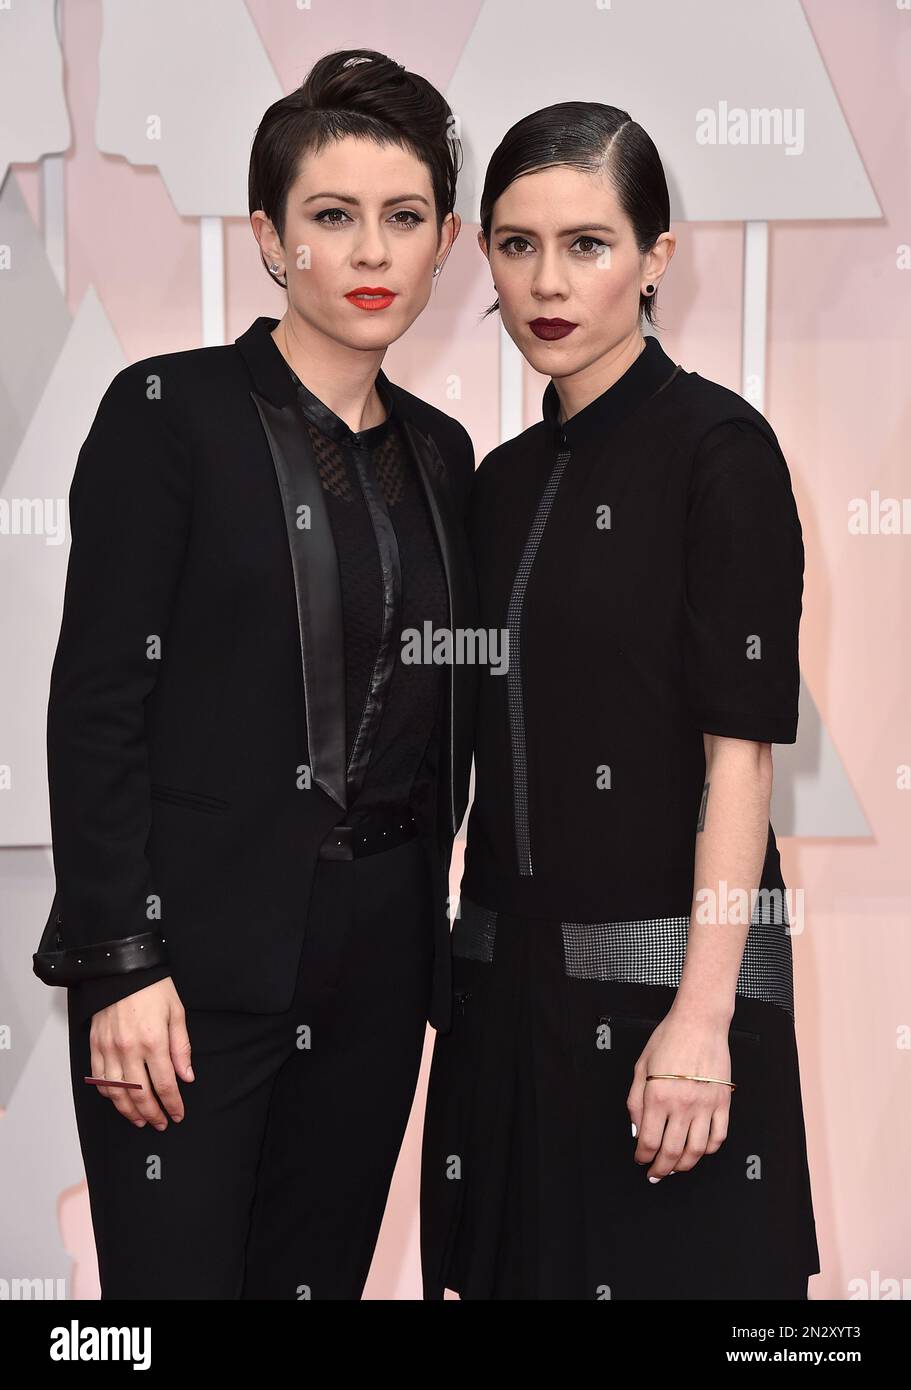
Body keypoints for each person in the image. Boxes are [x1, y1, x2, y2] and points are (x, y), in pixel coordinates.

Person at [33, 48, 478, 1299]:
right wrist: (119, 960)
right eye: (332, 218)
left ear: (444, 239)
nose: (371, 253)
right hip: (184, 969)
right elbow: (99, 703)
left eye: (403, 220)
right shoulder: (166, 413)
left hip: (380, 964)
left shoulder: (445, 457)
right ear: (269, 237)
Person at [420, 101, 820, 1300]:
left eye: (587, 244)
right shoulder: (493, 483)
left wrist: (701, 1025)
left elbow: (737, 761)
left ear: (655, 259)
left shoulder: (720, 453)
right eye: (514, 243)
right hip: (502, 1003)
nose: (547, 281)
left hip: (665, 1000)